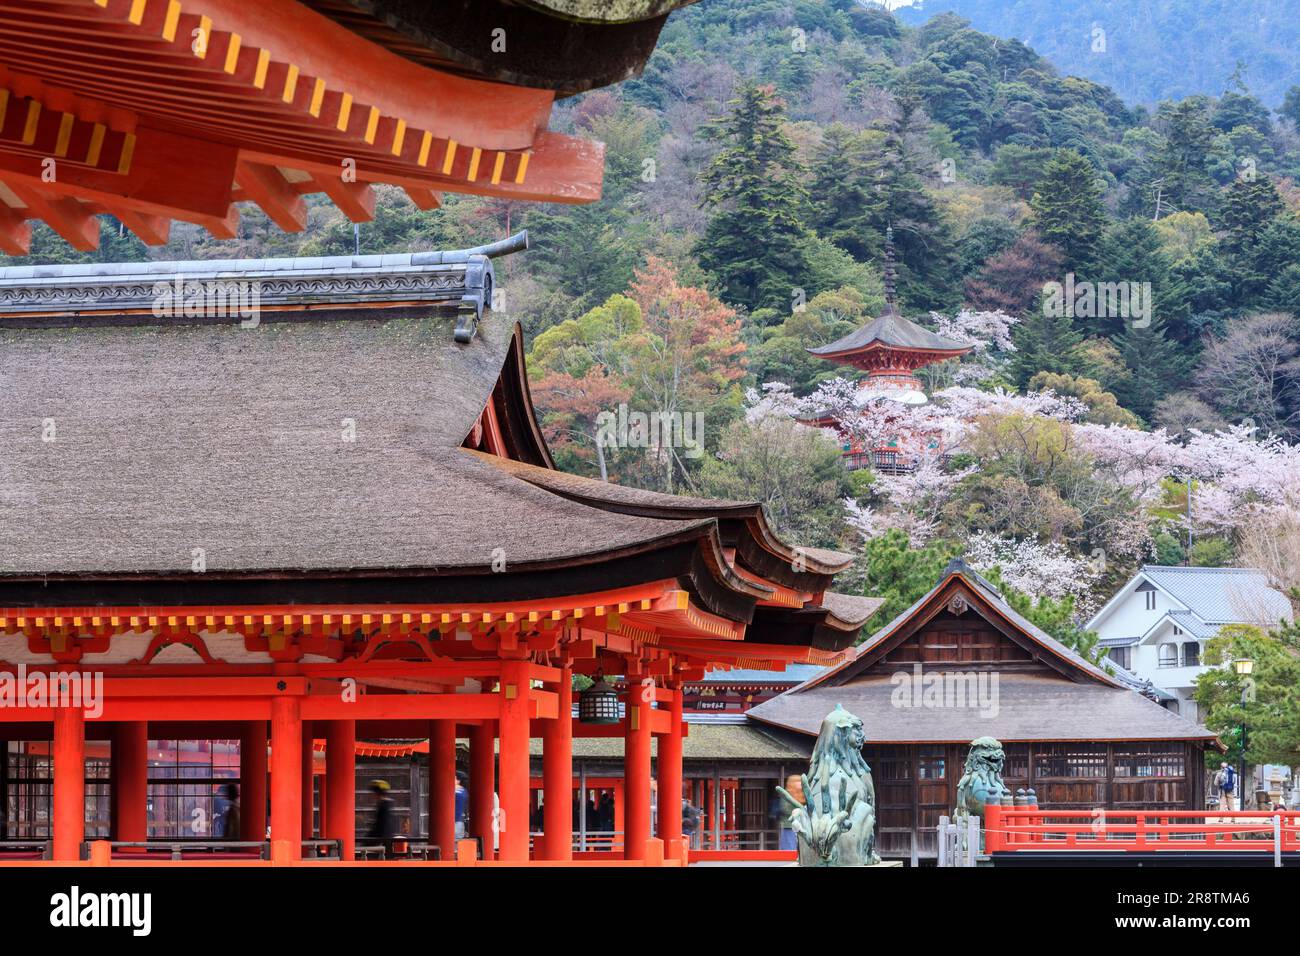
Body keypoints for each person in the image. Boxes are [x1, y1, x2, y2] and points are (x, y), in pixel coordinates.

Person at [369, 779, 396, 853]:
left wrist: (371, 840)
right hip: (384, 841)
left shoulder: (384, 805)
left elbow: (382, 825)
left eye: (373, 792)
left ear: (378, 793)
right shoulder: (384, 804)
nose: (372, 795)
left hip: (382, 842)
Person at [454, 771, 469, 841]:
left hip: (456, 822)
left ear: (458, 780)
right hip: (459, 821)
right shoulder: (463, 791)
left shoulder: (458, 792)